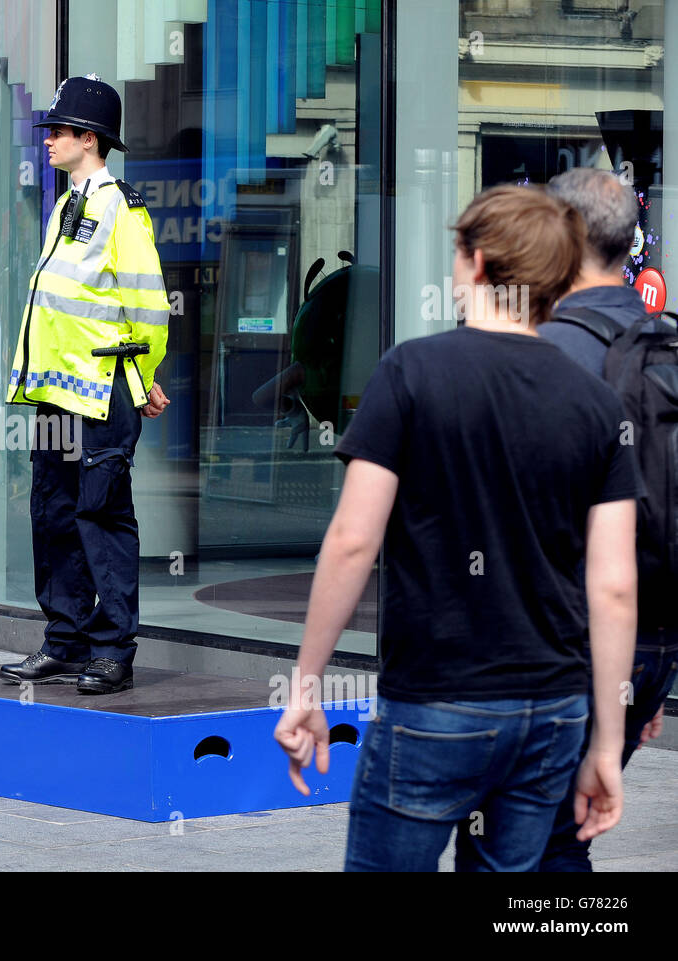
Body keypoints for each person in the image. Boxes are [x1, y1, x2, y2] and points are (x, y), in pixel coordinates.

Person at [273, 185, 639, 871]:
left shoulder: (411, 371)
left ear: (474, 262)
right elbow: (614, 584)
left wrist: (306, 685)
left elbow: (353, 539)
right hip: (551, 708)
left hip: (436, 702)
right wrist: (606, 746)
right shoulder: (596, 402)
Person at [0, 75, 170, 695]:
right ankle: (64, 641)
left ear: (88, 139)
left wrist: (143, 377)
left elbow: (147, 305)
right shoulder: (67, 205)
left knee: (102, 518)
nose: (48, 141)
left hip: (100, 389)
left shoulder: (119, 207)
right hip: (57, 392)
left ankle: (112, 651)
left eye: (59, 132)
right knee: (54, 517)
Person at [538, 167, 677, 871]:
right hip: (649, 642)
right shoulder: (667, 343)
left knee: (539, 836)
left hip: (568, 643)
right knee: (567, 829)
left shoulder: (547, 352)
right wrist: (646, 673)